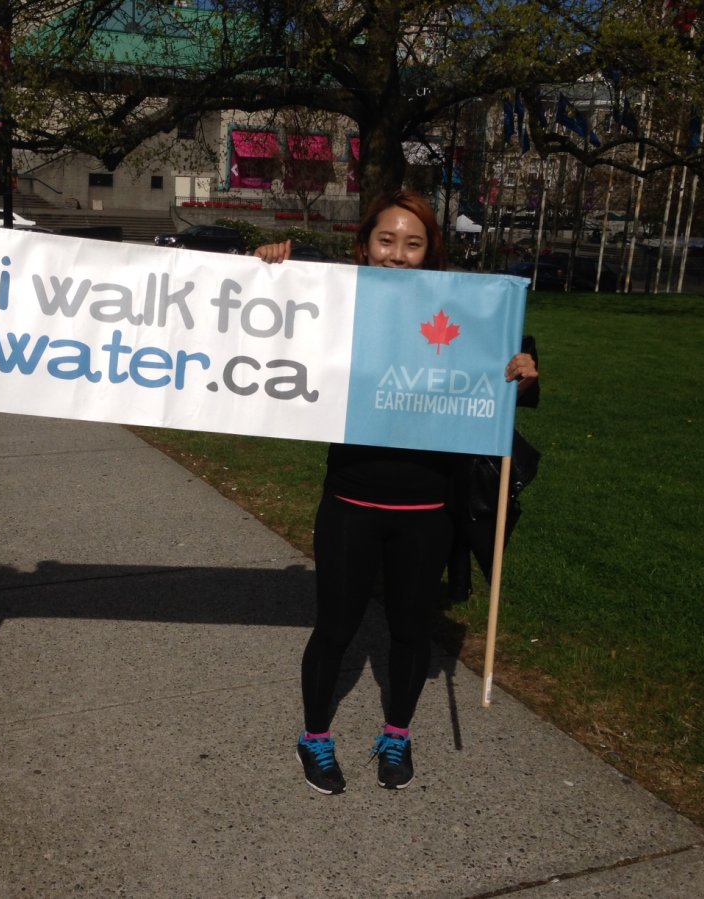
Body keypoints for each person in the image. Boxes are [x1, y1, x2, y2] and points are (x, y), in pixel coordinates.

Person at [253, 190, 538, 794]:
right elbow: (270, 328)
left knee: (411, 630)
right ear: (365, 245)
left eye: (413, 243)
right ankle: (315, 737)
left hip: (428, 511)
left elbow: (510, 379)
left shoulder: (471, 310)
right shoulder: (334, 301)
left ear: (429, 252)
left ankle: (397, 734)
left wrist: (522, 374)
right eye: (387, 240)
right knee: (336, 627)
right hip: (351, 502)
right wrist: (271, 272)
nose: (398, 254)